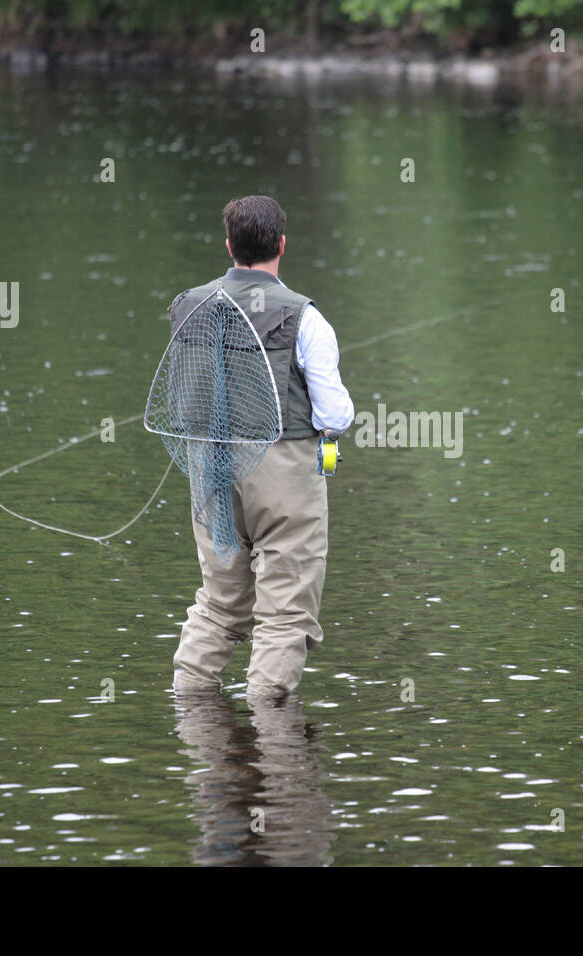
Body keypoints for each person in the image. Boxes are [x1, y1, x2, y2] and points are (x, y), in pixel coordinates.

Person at [170, 195, 354, 701]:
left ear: (229, 246)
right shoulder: (306, 318)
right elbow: (334, 416)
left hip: (208, 469)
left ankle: (192, 713)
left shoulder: (190, 304)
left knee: (220, 601)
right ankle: (272, 736)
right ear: (282, 245)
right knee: (286, 611)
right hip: (284, 474)